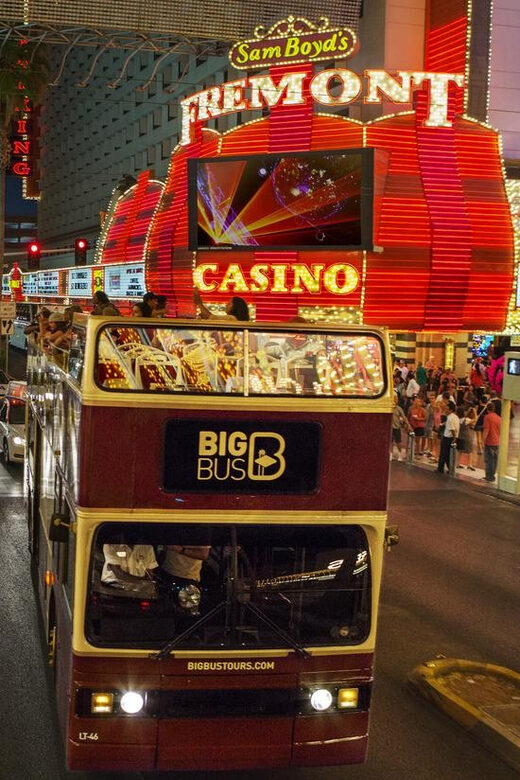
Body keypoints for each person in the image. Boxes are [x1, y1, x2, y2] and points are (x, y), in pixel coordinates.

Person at [437, 400, 459, 474]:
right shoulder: (455, 416)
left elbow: (452, 429)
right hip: (450, 437)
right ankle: (448, 468)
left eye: (447, 409)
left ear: (451, 410)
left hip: (448, 438)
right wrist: (443, 424)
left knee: (444, 454)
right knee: (447, 454)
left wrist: (454, 439)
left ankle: (443, 469)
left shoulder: (449, 418)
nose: (445, 410)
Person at [482, 401, 501, 482]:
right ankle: (492, 475)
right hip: (497, 441)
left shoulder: (487, 417)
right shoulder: (499, 418)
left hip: (489, 441)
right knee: (494, 460)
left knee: (489, 459)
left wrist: (483, 440)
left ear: (487, 409)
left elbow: (486, 430)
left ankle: (489, 476)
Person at [391, 396, 413, 461]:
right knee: (390, 442)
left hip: (397, 427)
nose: (395, 400)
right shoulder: (389, 408)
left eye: (396, 399)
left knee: (398, 442)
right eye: (394, 399)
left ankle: (400, 454)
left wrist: (408, 425)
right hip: (390, 428)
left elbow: (404, 417)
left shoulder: (399, 408)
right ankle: (390, 454)